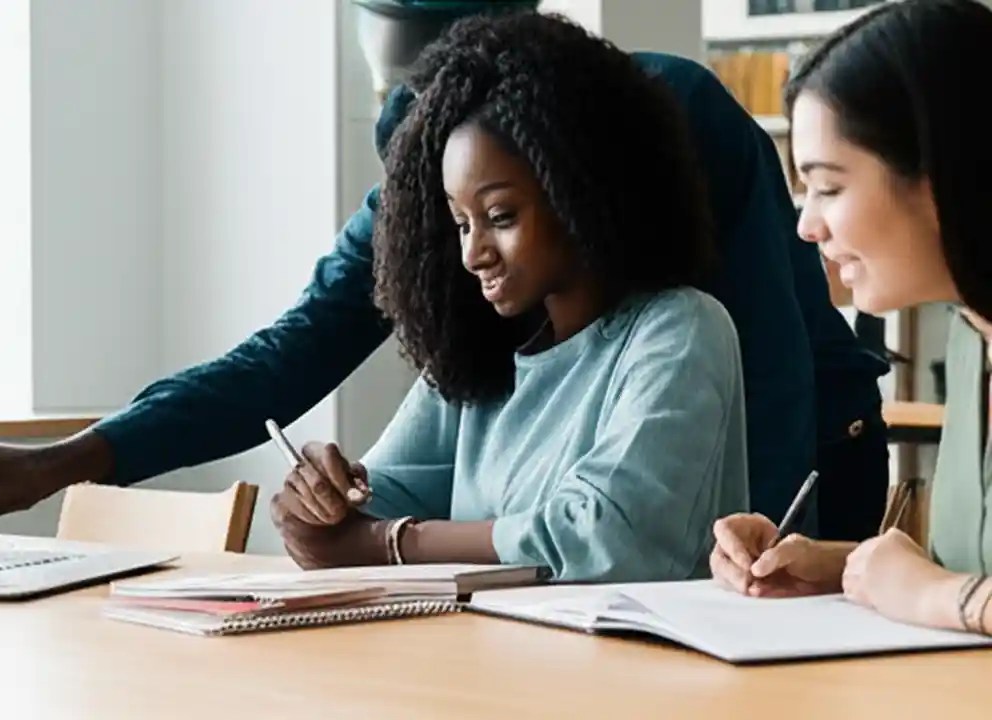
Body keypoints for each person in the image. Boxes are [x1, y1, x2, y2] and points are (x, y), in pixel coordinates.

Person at [0, 1, 888, 544]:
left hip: (799, 463)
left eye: (412, 85)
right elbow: (285, 361)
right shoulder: (433, 181)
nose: (398, 123)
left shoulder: (657, 120)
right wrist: (65, 459)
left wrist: (739, 577)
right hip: (577, 565)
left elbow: (761, 363)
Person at [269, 12, 748, 580]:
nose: (474, 254)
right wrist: (318, 504)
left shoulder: (680, 330)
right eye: (461, 224)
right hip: (486, 662)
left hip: (630, 664)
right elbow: (377, 502)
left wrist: (390, 543)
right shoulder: (478, 356)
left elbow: (607, 537)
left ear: (583, 190)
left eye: (499, 216)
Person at [709, 0, 992, 634]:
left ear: (941, 173)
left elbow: (953, 590)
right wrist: (841, 567)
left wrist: (935, 597)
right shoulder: (974, 335)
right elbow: (968, 568)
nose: (808, 226)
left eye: (829, 186)